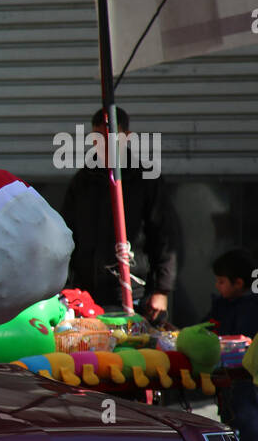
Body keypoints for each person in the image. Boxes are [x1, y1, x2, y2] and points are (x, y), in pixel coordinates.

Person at [61, 107, 176, 318]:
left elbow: (164, 235)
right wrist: (65, 285)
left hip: (136, 293)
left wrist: (162, 290)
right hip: (87, 294)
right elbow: (66, 235)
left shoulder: (146, 178)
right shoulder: (82, 182)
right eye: (98, 138)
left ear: (127, 137)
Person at [206, 249, 258, 441]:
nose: (217, 286)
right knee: (228, 416)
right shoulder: (221, 304)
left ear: (238, 283)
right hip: (222, 372)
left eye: (221, 281)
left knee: (246, 414)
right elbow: (207, 327)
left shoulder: (253, 307)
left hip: (242, 373)